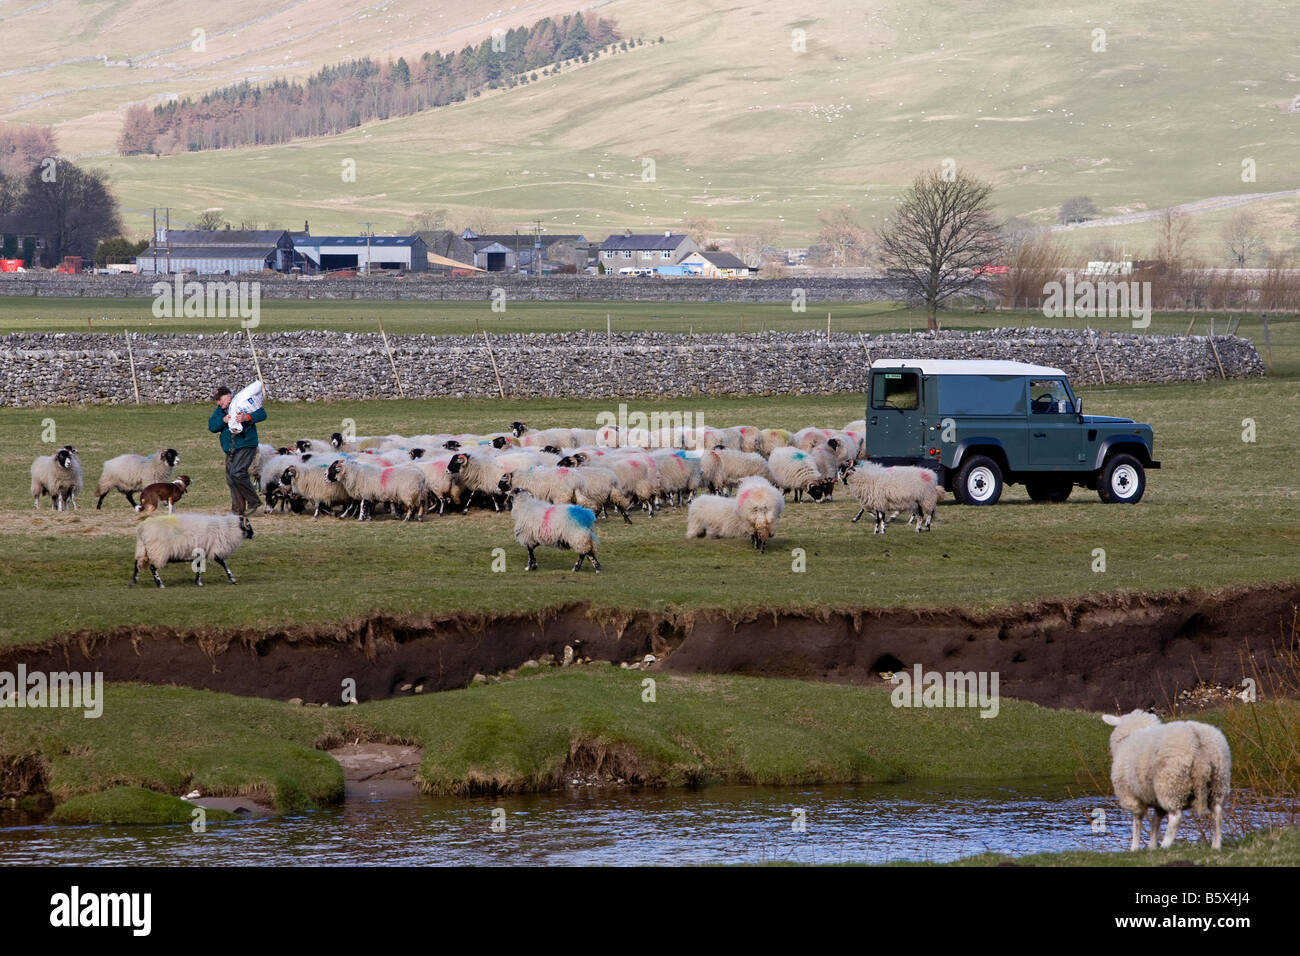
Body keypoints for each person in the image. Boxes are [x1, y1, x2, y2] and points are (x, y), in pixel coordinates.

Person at [209, 384, 266, 515]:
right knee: (231, 479)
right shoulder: (220, 411)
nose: (218, 402)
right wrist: (223, 420)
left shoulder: (243, 402)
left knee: (238, 473)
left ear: (229, 396)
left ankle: (254, 502)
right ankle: (237, 511)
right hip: (230, 449)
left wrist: (247, 417)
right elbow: (212, 426)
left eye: (220, 399)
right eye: (217, 400)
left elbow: (262, 414)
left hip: (246, 444)